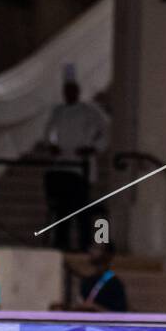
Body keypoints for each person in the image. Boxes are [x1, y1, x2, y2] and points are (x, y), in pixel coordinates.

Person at [41, 72, 110, 250]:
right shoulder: (58, 111)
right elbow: (48, 133)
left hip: (80, 168)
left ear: (78, 91)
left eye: (72, 90)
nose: (69, 94)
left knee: (82, 208)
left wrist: (93, 147)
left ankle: (85, 243)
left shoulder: (90, 110)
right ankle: (61, 242)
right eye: (67, 90)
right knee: (62, 208)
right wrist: (52, 146)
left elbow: (106, 130)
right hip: (62, 165)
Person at [74, 240, 128, 312]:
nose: (91, 251)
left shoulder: (115, 284)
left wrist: (95, 308)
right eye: (92, 247)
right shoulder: (86, 281)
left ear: (108, 254)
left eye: (96, 248)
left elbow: (120, 315)